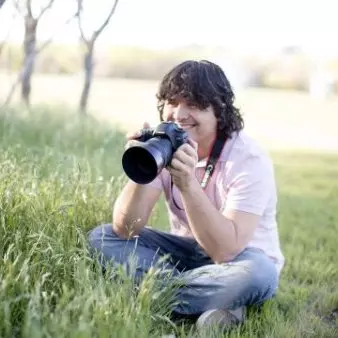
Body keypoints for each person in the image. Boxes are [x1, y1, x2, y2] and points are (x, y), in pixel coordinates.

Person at [87, 60, 285, 330]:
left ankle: (153, 294)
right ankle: (217, 300)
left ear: (219, 111)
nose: (178, 115)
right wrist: (142, 162)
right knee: (103, 237)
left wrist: (187, 183)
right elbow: (125, 229)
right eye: (171, 102)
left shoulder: (248, 159)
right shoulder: (165, 143)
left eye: (193, 104)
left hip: (241, 257)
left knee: (260, 275)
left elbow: (226, 250)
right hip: (186, 252)